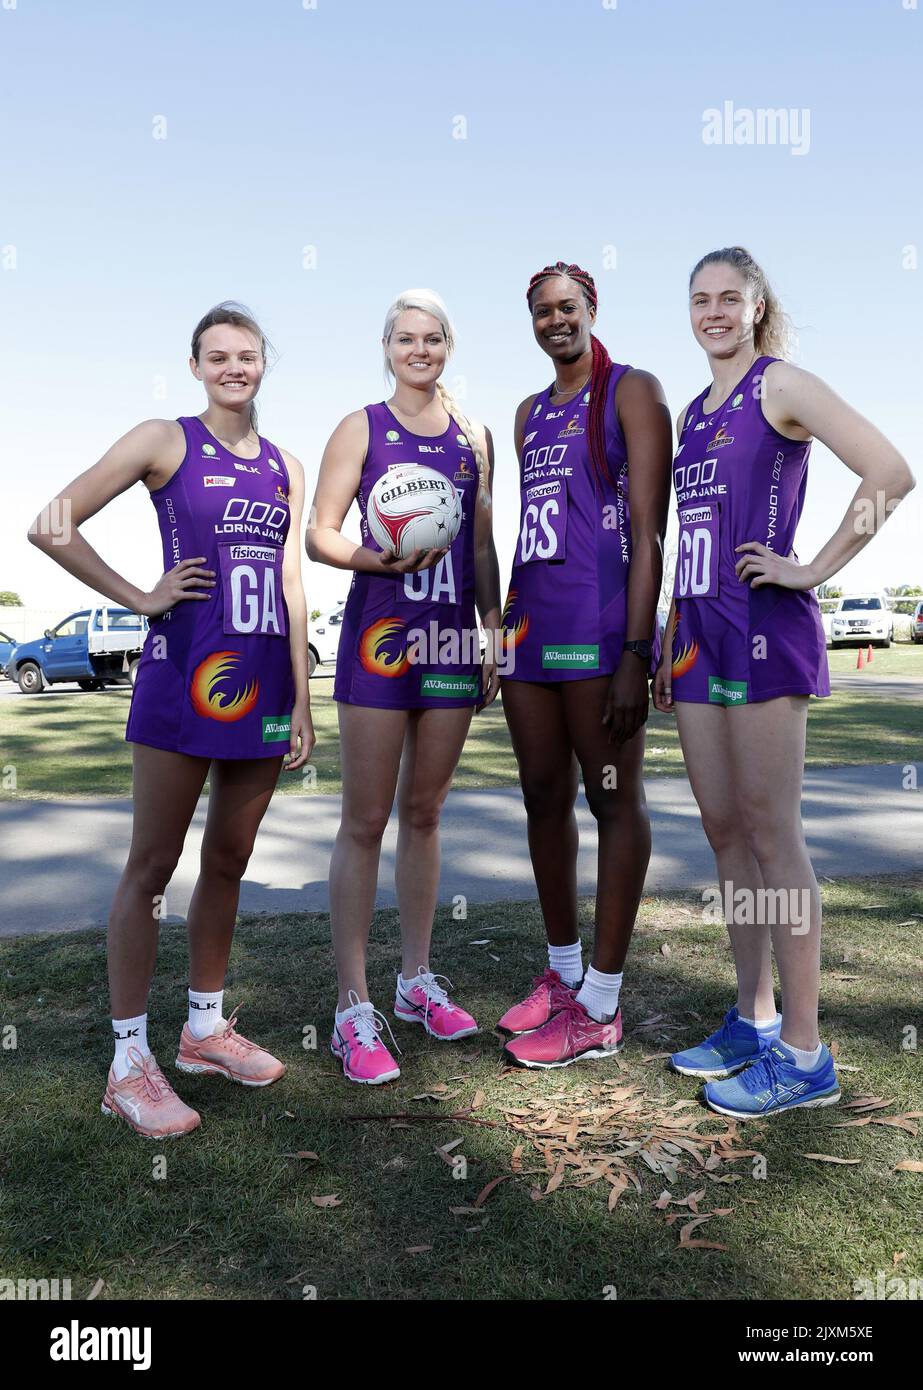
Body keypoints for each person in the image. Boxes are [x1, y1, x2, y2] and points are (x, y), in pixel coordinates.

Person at [28, 302, 313, 1137]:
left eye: (248, 355)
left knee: (227, 859)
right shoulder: (165, 438)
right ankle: (127, 1062)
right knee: (151, 867)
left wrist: (298, 694)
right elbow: (52, 523)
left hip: (260, 689)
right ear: (195, 366)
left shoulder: (287, 467)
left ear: (265, 363)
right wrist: (142, 597)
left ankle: (202, 1030)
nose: (234, 367)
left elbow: (292, 588)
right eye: (218, 356)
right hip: (178, 678)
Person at [653, 246, 915, 1117]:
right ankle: (754, 1017)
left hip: (763, 628)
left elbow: (889, 472)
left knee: (772, 833)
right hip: (696, 639)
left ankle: (805, 1054)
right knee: (725, 831)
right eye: (700, 300)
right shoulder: (692, 412)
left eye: (729, 297)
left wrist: (813, 570)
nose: (713, 312)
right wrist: (665, 632)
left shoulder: (781, 386)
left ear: (757, 305)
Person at [307, 289, 501, 1085]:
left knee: (425, 812)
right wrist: (370, 559)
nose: (418, 350)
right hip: (382, 638)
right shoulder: (360, 426)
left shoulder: (474, 435)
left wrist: (495, 629)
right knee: (365, 818)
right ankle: (353, 1008)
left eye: (431, 339)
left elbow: (483, 543)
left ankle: (415, 982)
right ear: (385, 346)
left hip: (452, 636)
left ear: (447, 346)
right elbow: (319, 533)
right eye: (404, 339)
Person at [496, 260, 672, 1069]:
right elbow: (525, 531)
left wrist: (637, 652)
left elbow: (647, 530)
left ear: (592, 308)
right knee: (541, 796)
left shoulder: (632, 390)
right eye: (541, 311)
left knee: (612, 801)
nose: (555, 320)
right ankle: (563, 974)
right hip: (532, 633)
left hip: (599, 634)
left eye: (567, 307)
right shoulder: (529, 412)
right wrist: (500, 628)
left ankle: (600, 1003)